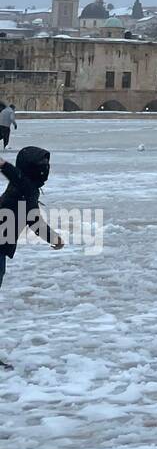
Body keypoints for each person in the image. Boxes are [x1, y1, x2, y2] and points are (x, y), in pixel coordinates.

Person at [1, 147, 65, 365]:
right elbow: (35, 222)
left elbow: (31, 217)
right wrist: (54, 239)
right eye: (42, 166)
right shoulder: (25, 187)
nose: (46, 170)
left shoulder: (23, 187)